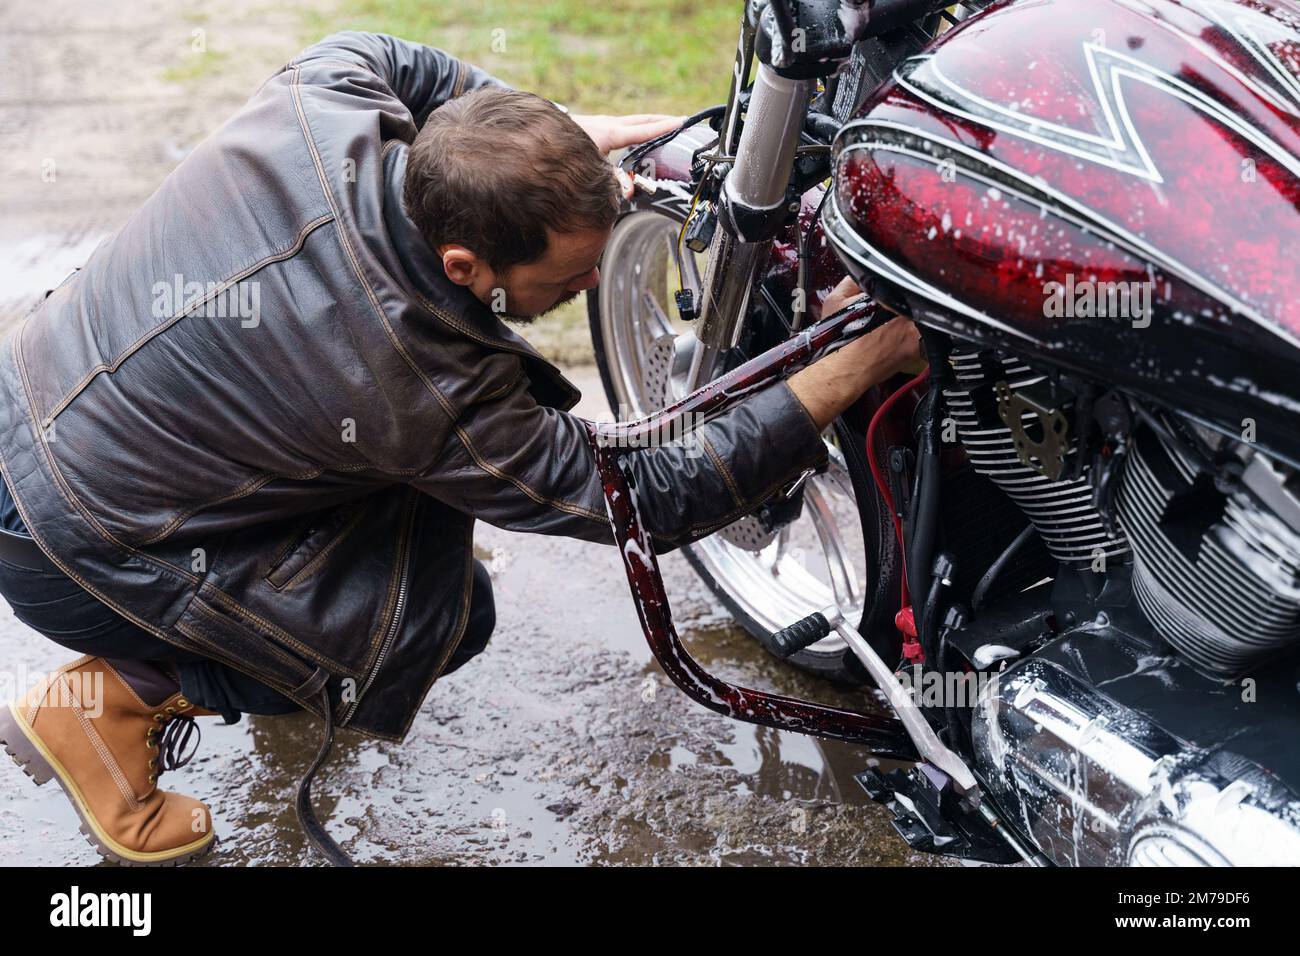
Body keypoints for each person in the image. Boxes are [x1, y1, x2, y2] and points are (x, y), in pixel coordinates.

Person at [0, 31, 920, 866]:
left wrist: (545, 144)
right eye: (570, 276)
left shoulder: (326, 94)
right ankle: (117, 701)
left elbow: (411, 66)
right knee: (437, 615)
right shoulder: (420, 380)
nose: (598, 279)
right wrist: (863, 358)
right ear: (463, 269)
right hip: (67, 544)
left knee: (399, 513)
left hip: (31, 404)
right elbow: (644, 495)